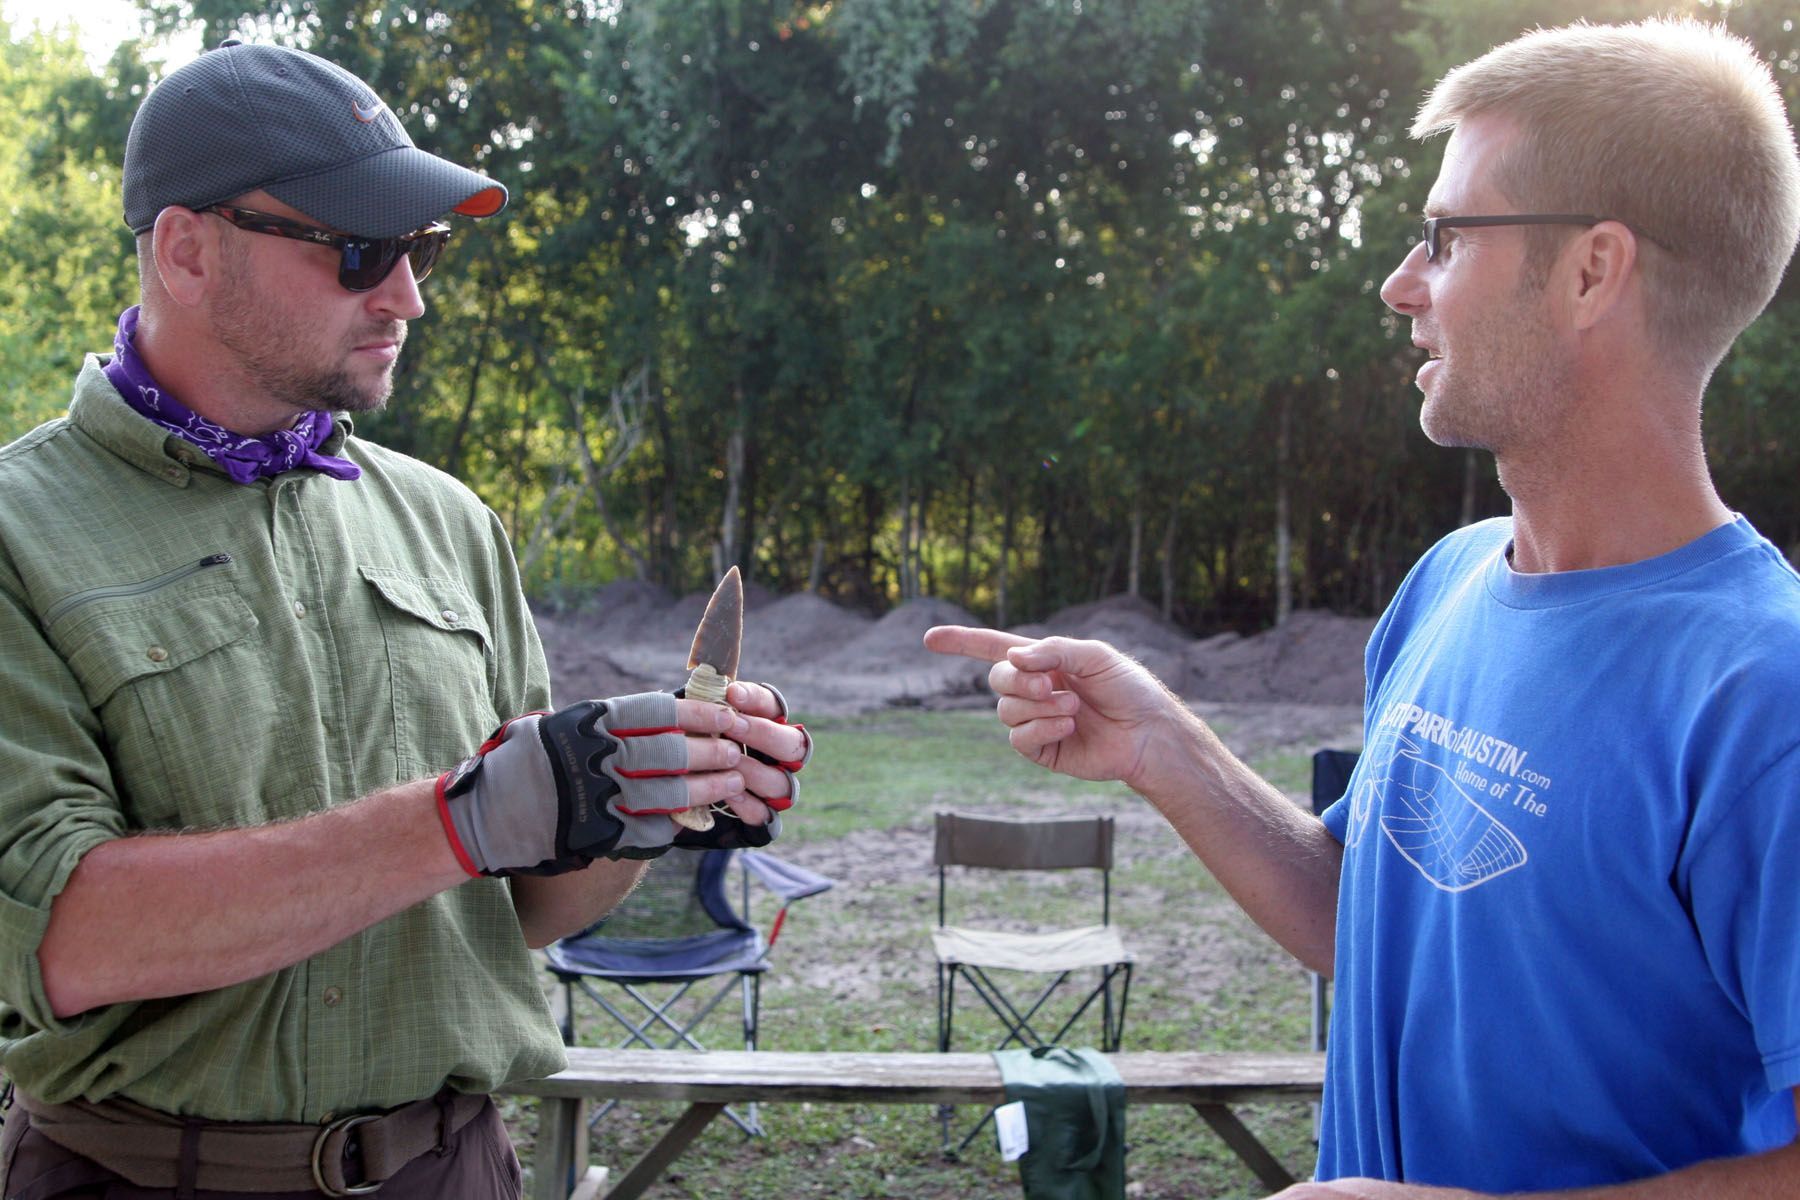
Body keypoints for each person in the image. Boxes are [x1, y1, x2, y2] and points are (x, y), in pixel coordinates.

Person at [928, 17, 1800, 1198]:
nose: (1399, 287)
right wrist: (1164, 748)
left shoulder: (1764, 697)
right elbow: (1380, 929)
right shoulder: (1447, 581)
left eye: (1444, 237)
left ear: (1593, 270)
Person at [0, 41, 809, 1198]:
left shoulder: (448, 523)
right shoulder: (19, 532)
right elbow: (65, 939)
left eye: (419, 249)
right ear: (186, 250)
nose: (407, 295)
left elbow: (523, 908)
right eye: (358, 249)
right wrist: (464, 816)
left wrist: (649, 805)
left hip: (453, 1167)